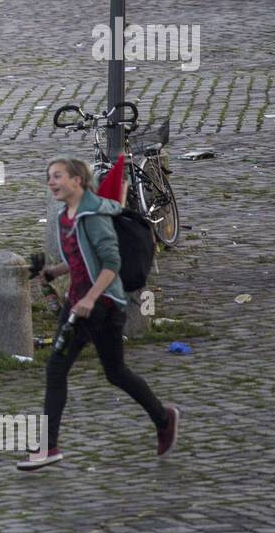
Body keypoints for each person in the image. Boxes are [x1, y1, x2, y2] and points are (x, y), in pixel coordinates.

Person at [17, 158, 179, 471]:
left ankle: (48, 447)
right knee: (115, 371)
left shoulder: (94, 216)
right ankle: (163, 418)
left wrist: (89, 299)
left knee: (56, 369)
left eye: (58, 177)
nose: (51, 182)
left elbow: (111, 263)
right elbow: (81, 257)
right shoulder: (67, 216)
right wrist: (53, 272)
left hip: (99, 305)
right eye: (49, 177)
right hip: (82, 303)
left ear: (77, 181)